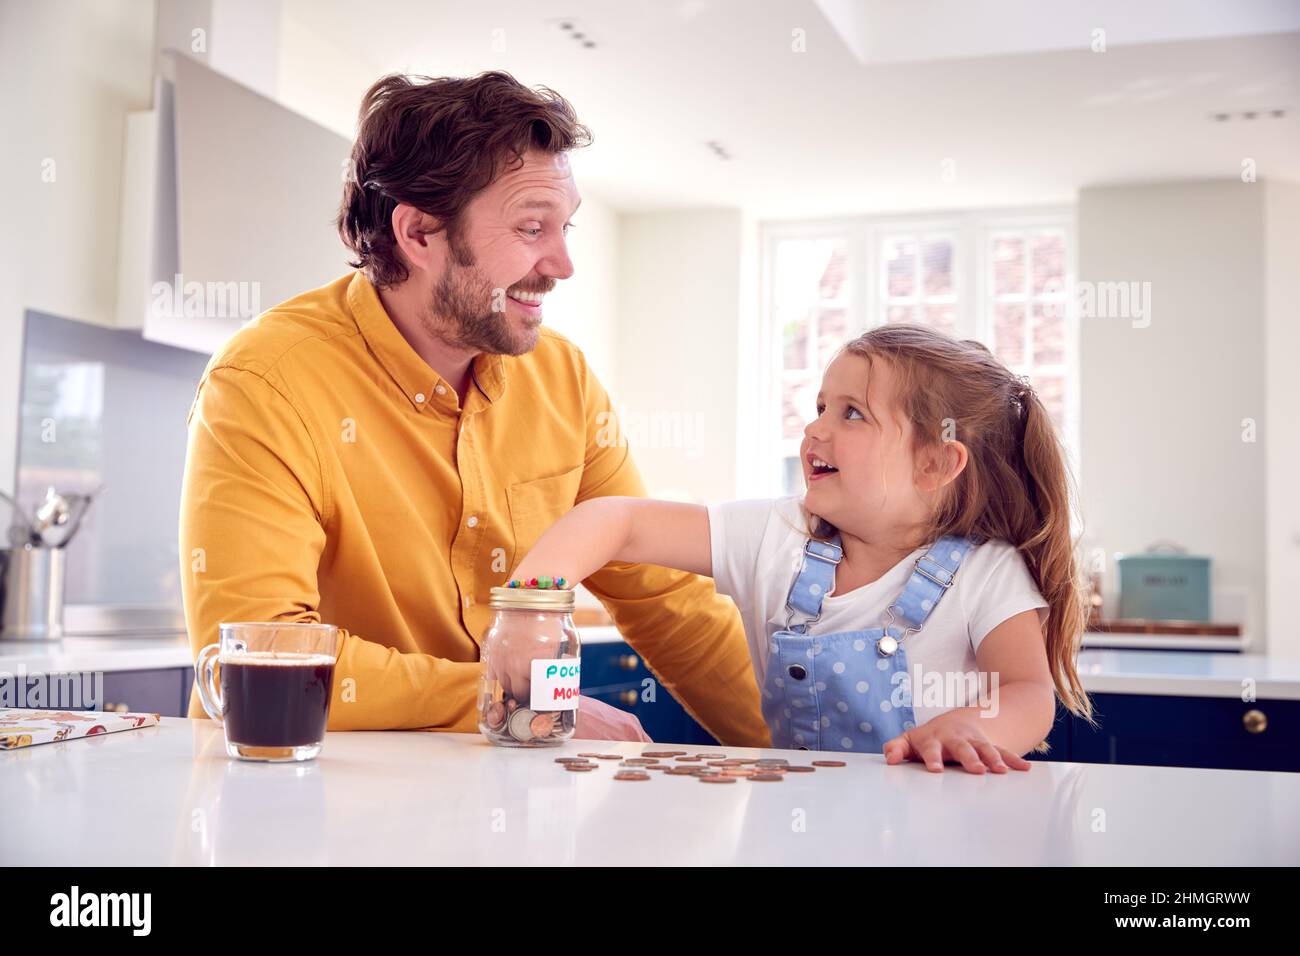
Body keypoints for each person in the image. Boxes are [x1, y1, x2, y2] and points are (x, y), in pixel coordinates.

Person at [178, 71, 768, 745]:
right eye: (531, 228)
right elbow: (260, 652)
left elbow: (669, 603)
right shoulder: (266, 382)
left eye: (564, 226)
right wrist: (504, 701)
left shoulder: (564, 380)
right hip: (311, 808)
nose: (563, 262)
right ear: (419, 233)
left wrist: (830, 750)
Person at [511, 324, 1094, 770]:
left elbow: (1027, 692)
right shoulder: (778, 536)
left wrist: (976, 728)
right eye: (820, 407)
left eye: (852, 414)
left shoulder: (986, 572)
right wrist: (530, 606)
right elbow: (617, 521)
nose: (815, 430)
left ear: (936, 461)